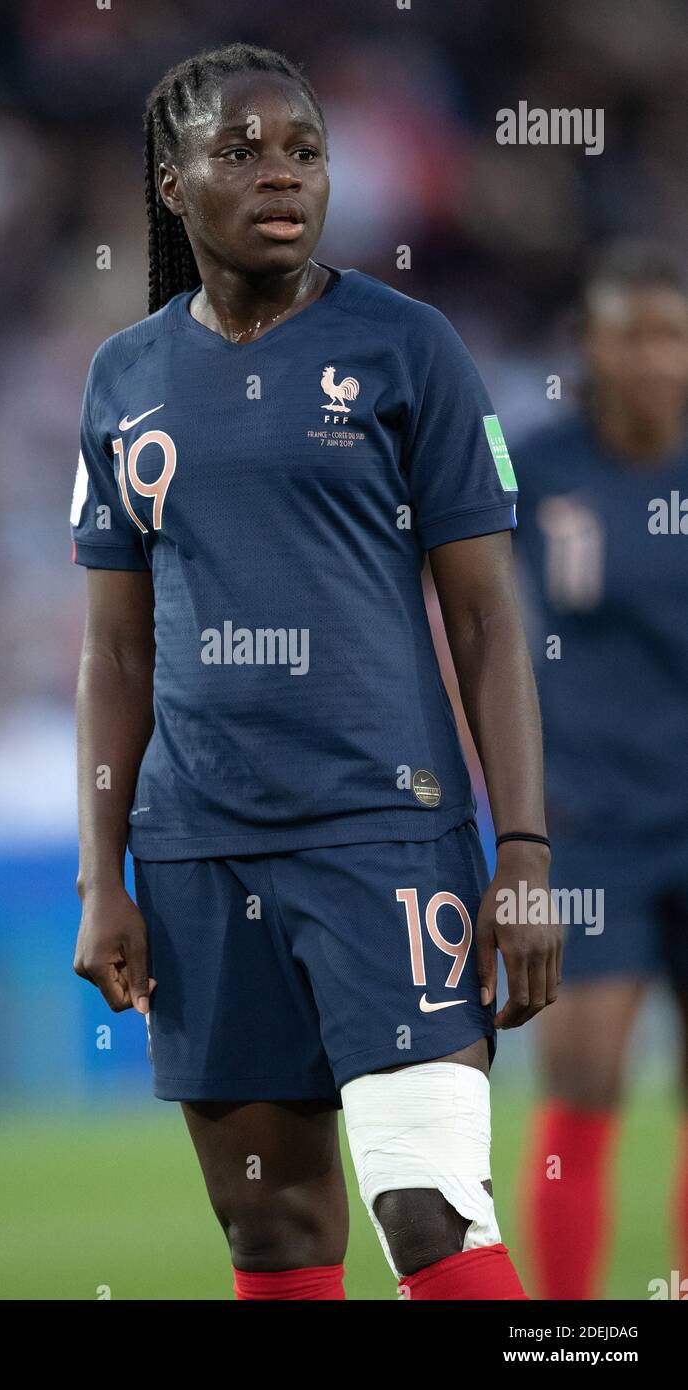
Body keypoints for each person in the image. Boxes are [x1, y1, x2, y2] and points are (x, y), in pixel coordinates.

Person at [71, 41, 558, 1301]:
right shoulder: (122, 381)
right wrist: (101, 877)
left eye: (303, 150)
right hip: (196, 855)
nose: (281, 175)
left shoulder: (410, 348)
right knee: (273, 1236)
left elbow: (490, 624)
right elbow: (116, 651)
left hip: (383, 841)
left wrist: (523, 851)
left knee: (428, 1211)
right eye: (240, 151)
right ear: (173, 185)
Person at [515, 242, 688, 1300]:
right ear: (585, 346)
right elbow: (467, 622)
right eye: (627, 333)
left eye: (669, 335)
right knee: (581, 1084)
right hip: (588, 820)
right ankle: (567, 1329)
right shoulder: (532, 466)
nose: (651, 357)